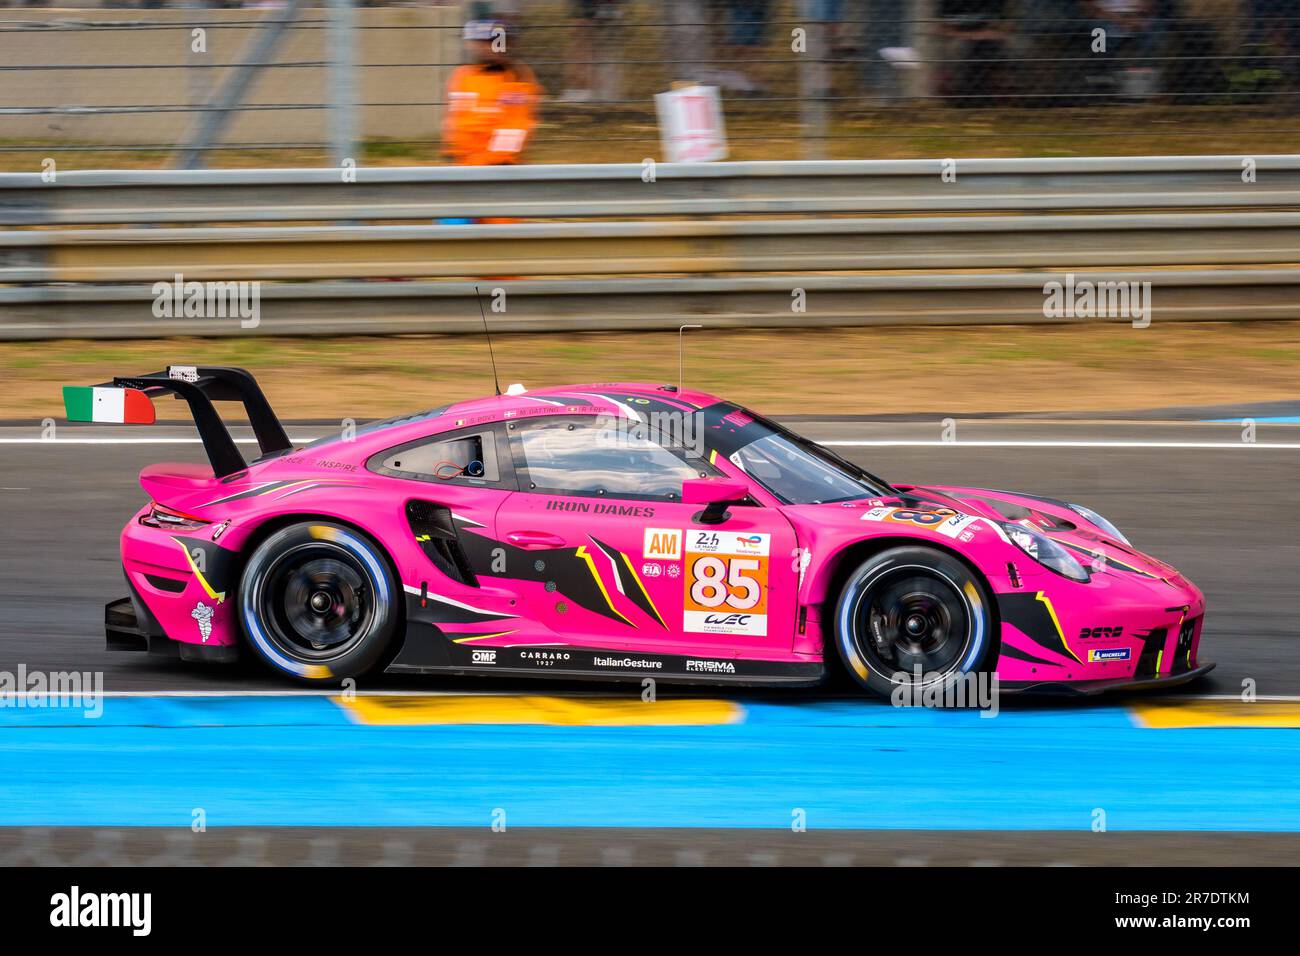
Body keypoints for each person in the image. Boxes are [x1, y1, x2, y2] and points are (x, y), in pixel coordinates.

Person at [443, 19, 542, 167]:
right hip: (464, 165)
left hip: (499, 167)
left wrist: (491, 163)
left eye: (494, 42)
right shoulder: (461, 75)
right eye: (481, 42)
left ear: (508, 44)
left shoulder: (516, 78)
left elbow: (515, 125)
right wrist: (454, 153)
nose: (488, 47)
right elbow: (456, 120)